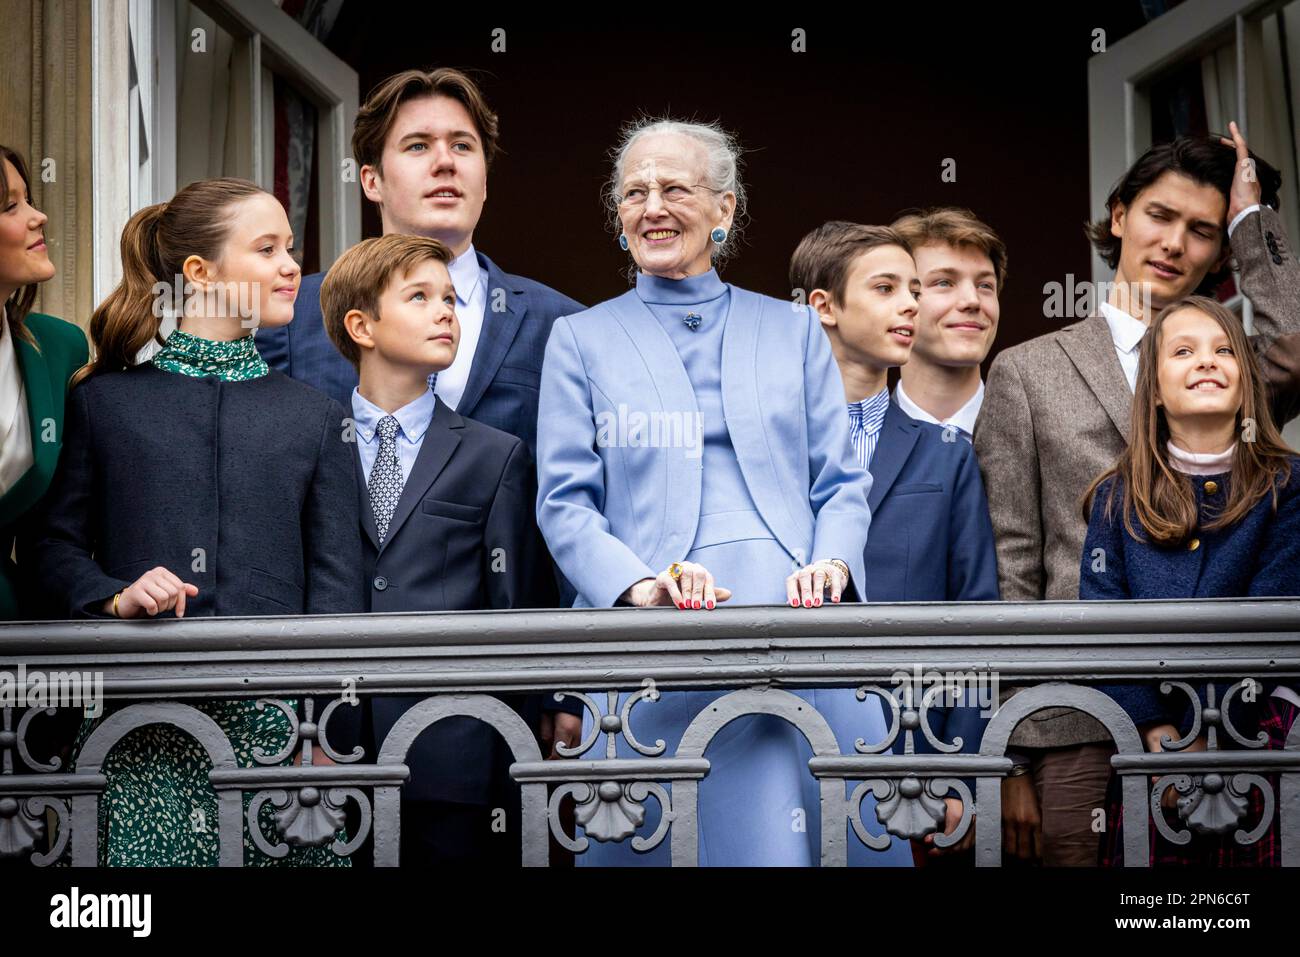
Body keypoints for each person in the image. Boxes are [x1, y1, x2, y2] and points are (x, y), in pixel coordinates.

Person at [537, 118, 909, 866]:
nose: (652, 207)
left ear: (725, 209)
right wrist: (641, 586)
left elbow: (840, 481)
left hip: (801, 626)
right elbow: (565, 503)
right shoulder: (581, 339)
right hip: (656, 636)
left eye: (674, 188)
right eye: (633, 193)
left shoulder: (795, 329)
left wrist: (832, 566)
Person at [974, 124, 1300, 865]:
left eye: (1203, 232)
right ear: (1119, 214)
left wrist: (1253, 223)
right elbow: (1012, 565)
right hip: (1073, 714)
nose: (1175, 243)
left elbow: (1298, 342)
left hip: (1226, 713)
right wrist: (1012, 751)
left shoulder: (1235, 366)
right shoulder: (1027, 370)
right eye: (1159, 215)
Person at [35, 177, 362, 866]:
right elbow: (49, 547)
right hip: (130, 735)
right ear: (199, 272)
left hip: (281, 741)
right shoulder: (104, 404)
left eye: (291, 248)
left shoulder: (318, 417)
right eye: (267, 247)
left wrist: (324, 728)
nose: (290, 266)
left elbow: (338, 590)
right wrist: (115, 593)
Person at [320, 232, 564, 865]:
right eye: (420, 297)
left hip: (455, 752)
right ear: (361, 325)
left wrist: (517, 739)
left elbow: (518, 607)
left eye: (451, 299)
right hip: (331, 751)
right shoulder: (310, 443)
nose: (445, 312)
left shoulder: (494, 454)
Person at [790, 220, 999, 865]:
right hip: (773, 727)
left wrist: (962, 767)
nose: (911, 304)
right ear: (821, 307)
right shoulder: (759, 446)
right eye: (888, 288)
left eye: (915, 289)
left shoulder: (948, 455)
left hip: (908, 747)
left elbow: (975, 615)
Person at [257, 67, 582, 459]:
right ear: (371, 180)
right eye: (418, 146)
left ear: (485, 182)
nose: (445, 162)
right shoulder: (292, 314)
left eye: (462, 146)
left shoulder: (563, 326)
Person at [1080, 295, 1299, 865]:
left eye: (1225, 350)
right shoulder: (1116, 497)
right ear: (1153, 390)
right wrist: (1155, 731)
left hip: (1263, 739)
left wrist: (1210, 736)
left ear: (1246, 383)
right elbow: (1103, 626)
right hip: (1148, 753)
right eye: (1184, 351)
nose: (1207, 360)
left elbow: (1268, 620)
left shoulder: (1288, 486)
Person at [0, 145, 88, 621]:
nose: (39, 216)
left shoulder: (60, 350)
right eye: (11, 206)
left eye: (28, 198)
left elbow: (51, 537)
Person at [889, 207, 1005, 440]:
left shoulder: (1042, 438)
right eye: (944, 282)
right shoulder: (848, 445)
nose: (972, 301)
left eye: (985, 285)